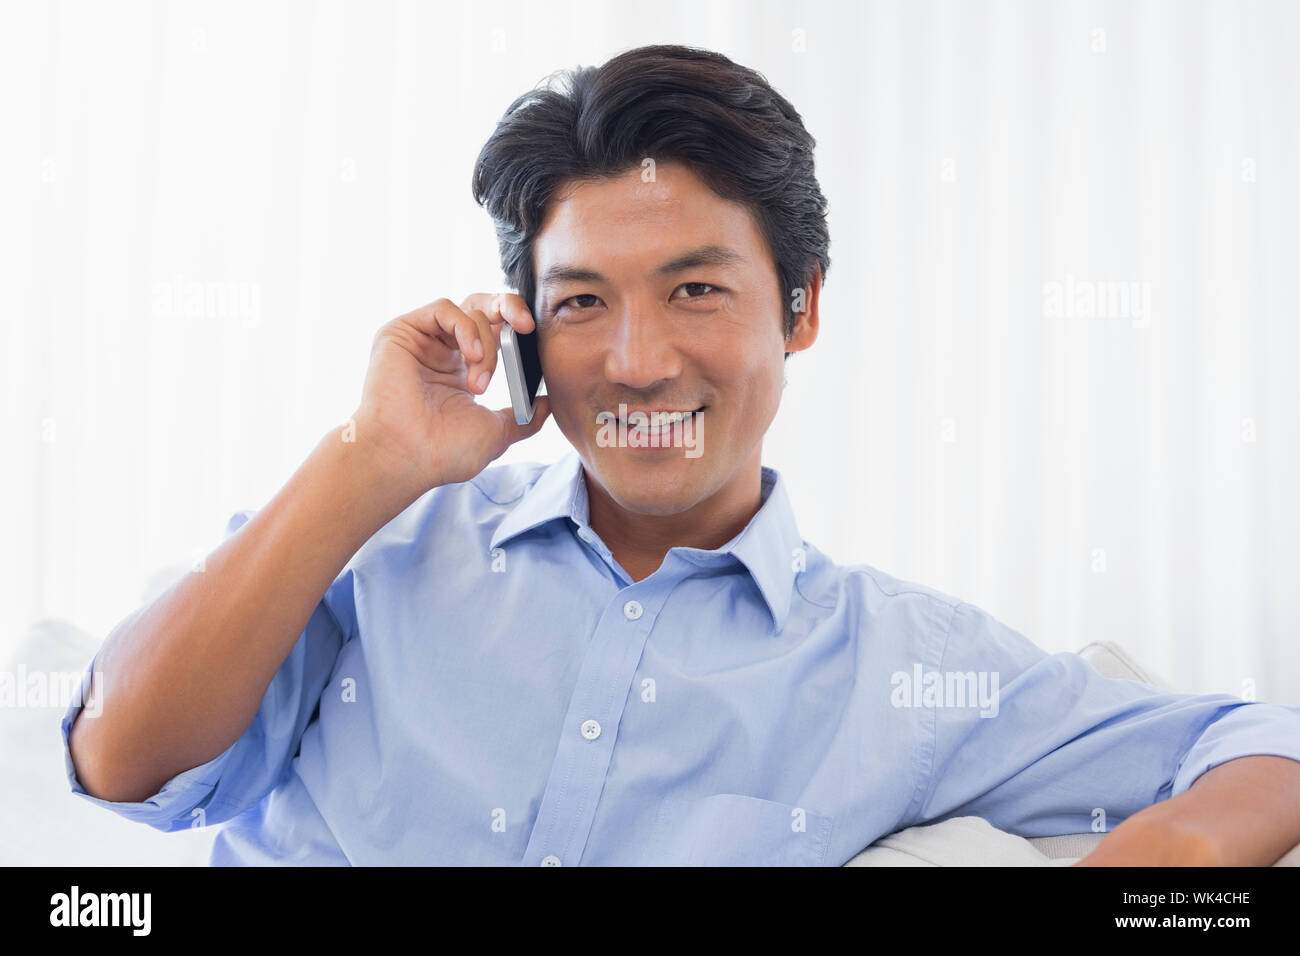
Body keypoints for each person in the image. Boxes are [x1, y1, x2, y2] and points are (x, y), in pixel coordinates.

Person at [64, 44, 1300, 866]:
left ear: (800, 308)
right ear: (525, 325)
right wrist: (366, 456)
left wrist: (1168, 862)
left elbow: (1260, 748)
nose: (638, 361)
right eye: (585, 301)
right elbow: (118, 758)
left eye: (696, 287)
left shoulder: (908, 665)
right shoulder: (375, 540)